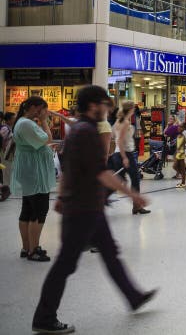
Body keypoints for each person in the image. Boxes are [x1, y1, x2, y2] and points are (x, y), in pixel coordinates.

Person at [31, 85, 156, 334]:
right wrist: (133, 194)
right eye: (104, 104)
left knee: (110, 252)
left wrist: (62, 195)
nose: (108, 109)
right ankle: (44, 318)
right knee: (66, 263)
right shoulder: (86, 131)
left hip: (88, 206)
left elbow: (67, 164)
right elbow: (101, 172)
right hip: (82, 209)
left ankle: (133, 296)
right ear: (93, 105)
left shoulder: (77, 129)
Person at [11, 96, 56, 262]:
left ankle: (27, 247)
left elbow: (39, 141)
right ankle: (33, 250)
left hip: (30, 170)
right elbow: (47, 138)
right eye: (43, 109)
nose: (44, 112)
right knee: (39, 211)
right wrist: (44, 121)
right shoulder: (26, 124)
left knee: (28, 210)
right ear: (34, 108)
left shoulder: (23, 122)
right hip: (34, 173)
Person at [108, 101, 150, 214]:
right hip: (126, 154)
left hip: (118, 154)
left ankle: (101, 199)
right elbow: (120, 141)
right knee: (135, 179)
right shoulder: (125, 122)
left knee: (119, 179)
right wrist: (125, 158)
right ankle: (137, 206)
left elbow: (112, 137)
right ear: (131, 109)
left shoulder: (117, 122)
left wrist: (113, 152)